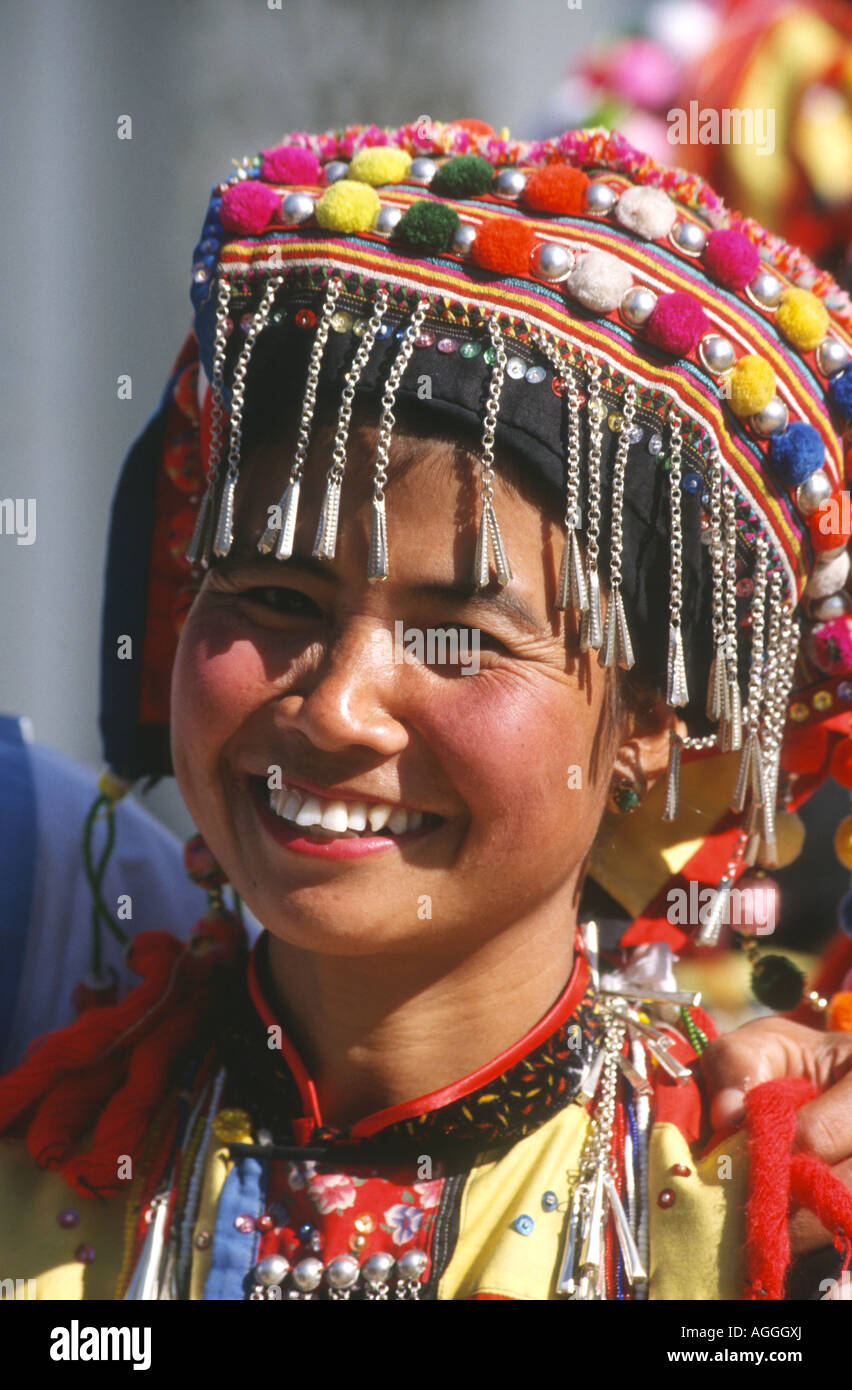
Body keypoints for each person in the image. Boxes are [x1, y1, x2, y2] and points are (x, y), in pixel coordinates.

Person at [2, 116, 852, 1302]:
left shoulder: (757, 1240)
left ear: (657, 718)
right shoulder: (48, 1180)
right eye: (275, 597)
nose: (338, 709)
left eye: (460, 639)